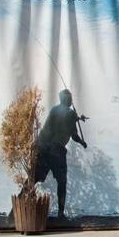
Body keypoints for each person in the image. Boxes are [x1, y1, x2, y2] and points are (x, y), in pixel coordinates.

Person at [32, 89, 87, 217]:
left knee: (34, 178)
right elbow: (74, 135)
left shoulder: (54, 110)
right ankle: (61, 214)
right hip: (57, 151)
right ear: (66, 99)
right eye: (70, 98)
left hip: (44, 149)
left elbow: (51, 127)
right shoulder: (71, 113)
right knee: (62, 182)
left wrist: (77, 118)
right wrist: (82, 142)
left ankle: (19, 203)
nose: (72, 100)